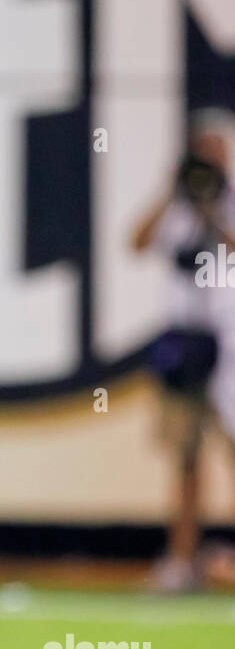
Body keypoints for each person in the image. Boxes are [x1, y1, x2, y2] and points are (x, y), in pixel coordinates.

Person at [132, 110, 235, 591]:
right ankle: (183, 557)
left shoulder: (227, 203)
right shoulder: (177, 205)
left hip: (229, 345)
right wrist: (173, 190)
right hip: (185, 344)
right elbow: (136, 242)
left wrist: (213, 206)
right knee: (185, 457)